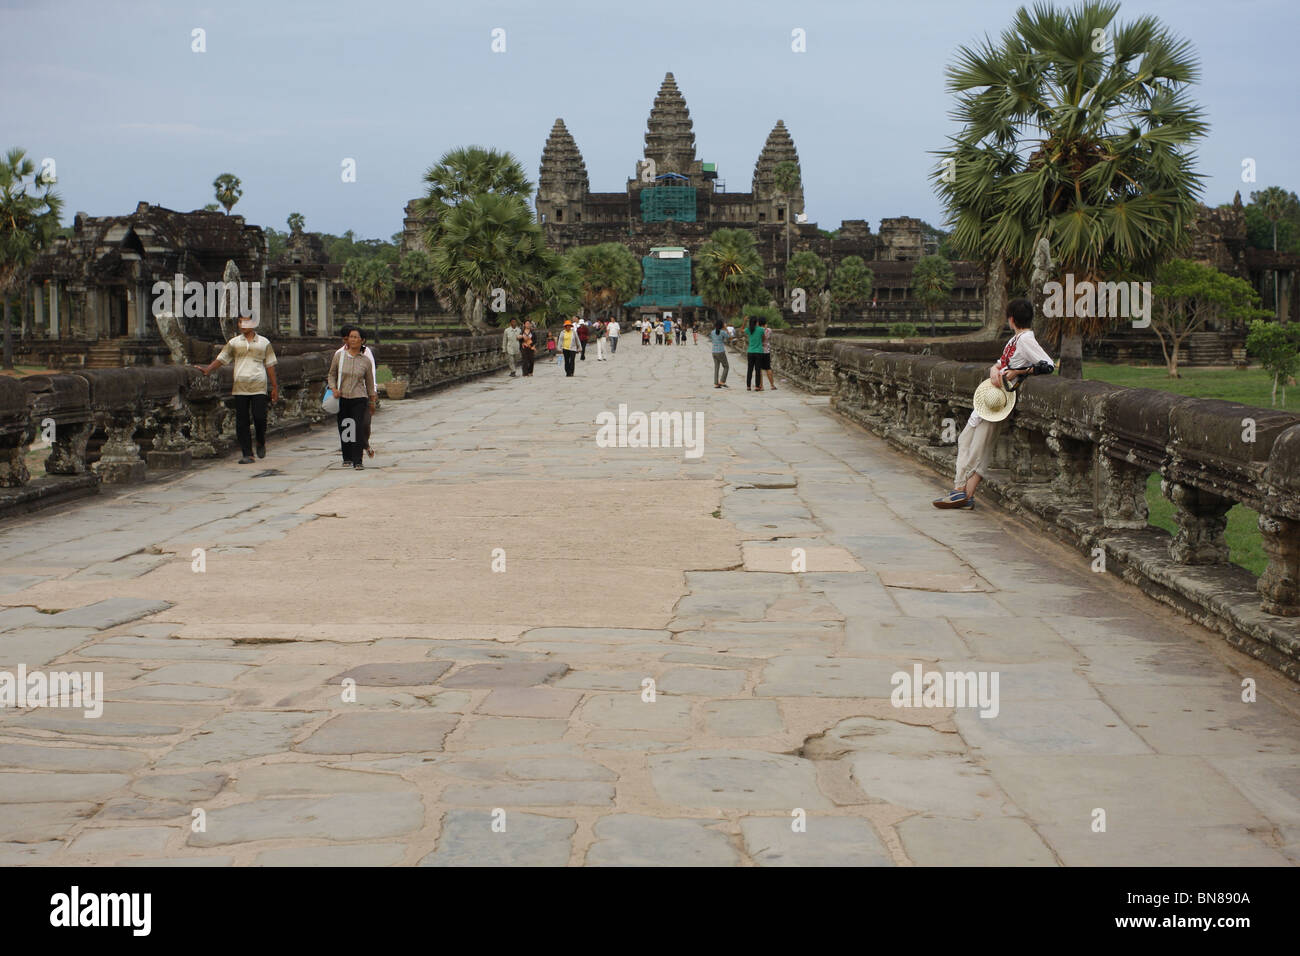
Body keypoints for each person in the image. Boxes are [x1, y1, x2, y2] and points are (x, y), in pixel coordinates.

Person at [934, 297, 1055, 510]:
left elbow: (1048, 366)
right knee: (966, 441)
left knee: (979, 448)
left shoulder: (1026, 340)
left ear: (1010, 319)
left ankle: (962, 492)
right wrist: (994, 368)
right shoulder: (1015, 340)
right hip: (990, 398)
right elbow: (1001, 362)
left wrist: (1018, 372)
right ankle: (962, 492)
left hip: (999, 401)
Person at [195, 313, 279, 464]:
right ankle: (247, 453)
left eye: (246, 322)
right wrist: (208, 369)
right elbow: (222, 359)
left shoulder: (264, 343)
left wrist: (274, 387)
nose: (243, 325)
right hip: (240, 386)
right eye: (241, 322)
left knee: (260, 417)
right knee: (242, 421)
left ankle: (260, 440)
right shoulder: (234, 343)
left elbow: (270, 365)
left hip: (259, 385)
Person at [329, 327, 377, 470]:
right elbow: (331, 374)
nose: (353, 339)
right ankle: (347, 457)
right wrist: (333, 388)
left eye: (356, 337)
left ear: (362, 340)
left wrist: (372, 400)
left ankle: (358, 460)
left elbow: (369, 382)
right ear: (347, 339)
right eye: (351, 337)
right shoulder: (339, 356)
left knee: (357, 428)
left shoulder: (365, 360)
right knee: (344, 427)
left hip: (359, 397)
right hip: (342, 397)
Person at [709, 318, 731, 388]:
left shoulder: (712, 332)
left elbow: (712, 339)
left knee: (716, 367)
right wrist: (726, 329)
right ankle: (722, 381)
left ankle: (716, 383)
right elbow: (729, 337)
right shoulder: (723, 332)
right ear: (722, 325)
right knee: (726, 366)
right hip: (720, 351)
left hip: (714, 351)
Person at [745, 315, 765, 391]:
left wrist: (744, 321)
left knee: (750, 369)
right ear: (757, 322)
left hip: (750, 351)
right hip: (759, 352)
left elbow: (741, 330)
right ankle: (757, 386)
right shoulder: (761, 329)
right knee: (758, 369)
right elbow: (763, 339)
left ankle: (748, 386)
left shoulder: (748, 329)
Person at [760, 317, 778, 390]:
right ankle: (772, 385)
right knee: (768, 368)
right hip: (767, 351)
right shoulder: (769, 330)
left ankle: (761, 386)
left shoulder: (758, 330)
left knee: (759, 369)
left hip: (759, 351)